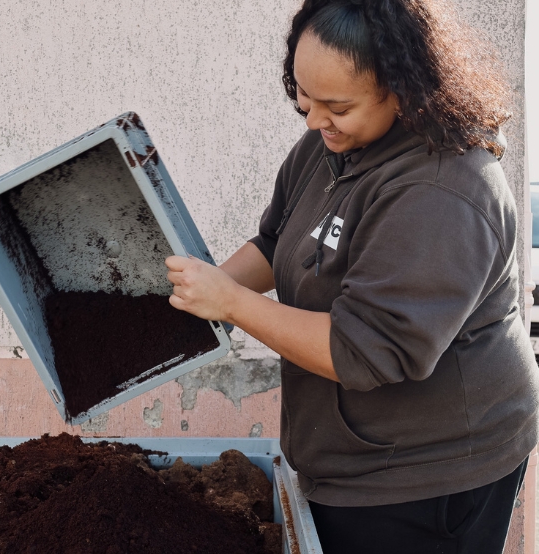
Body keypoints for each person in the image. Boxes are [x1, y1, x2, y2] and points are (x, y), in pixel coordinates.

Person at [164, 0, 539, 552]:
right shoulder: (331, 145)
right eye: (303, 96)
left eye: (337, 106)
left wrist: (231, 304)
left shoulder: (441, 191)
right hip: (348, 455)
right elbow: (275, 242)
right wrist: (202, 288)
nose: (313, 120)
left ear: (403, 90)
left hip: (428, 475)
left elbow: (364, 351)